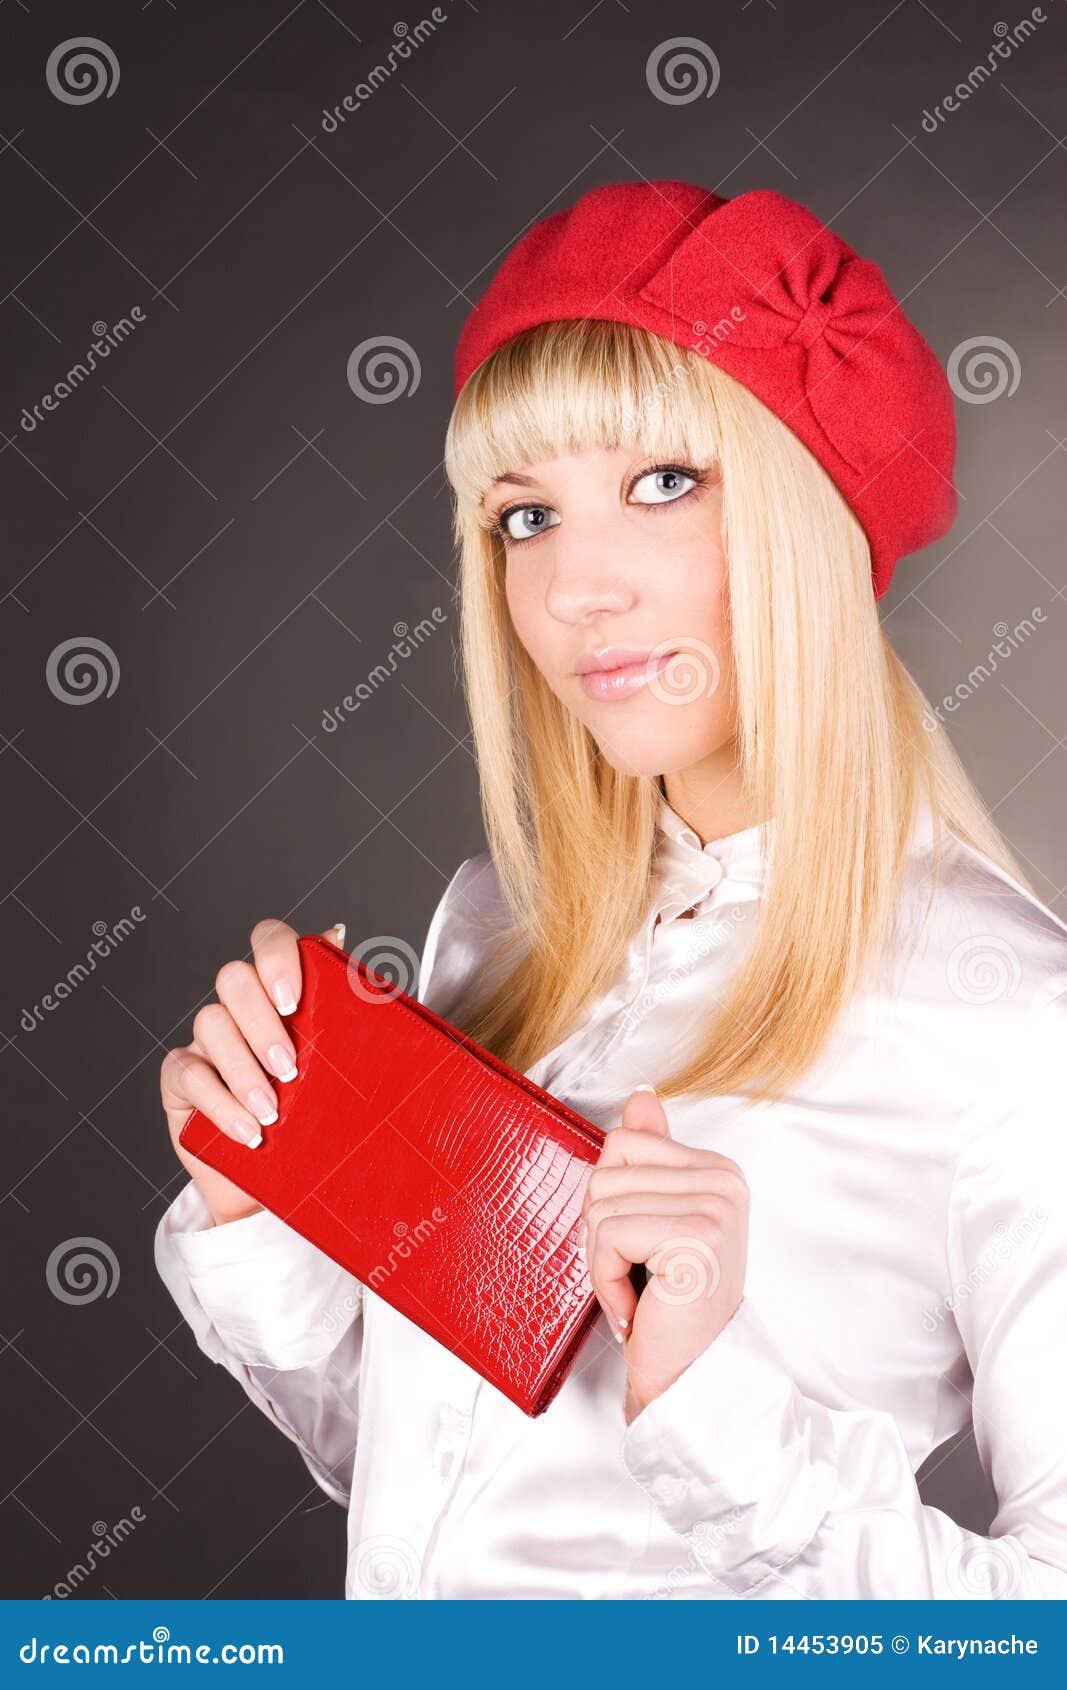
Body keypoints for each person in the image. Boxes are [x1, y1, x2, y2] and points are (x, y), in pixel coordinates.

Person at [154, 179, 1067, 1599]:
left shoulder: (1010, 1017)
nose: (576, 588)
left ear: (809, 520)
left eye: (662, 483)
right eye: (526, 515)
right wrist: (259, 1193)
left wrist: (710, 1398)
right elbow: (423, 1479)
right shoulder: (496, 929)